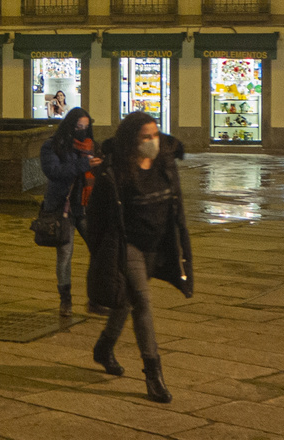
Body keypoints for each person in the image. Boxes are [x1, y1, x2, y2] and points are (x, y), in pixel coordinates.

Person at [85, 111, 192, 404]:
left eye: (155, 135)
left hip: (156, 243)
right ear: (133, 139)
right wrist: (103, 254)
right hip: (127, 244)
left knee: (127, 299)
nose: (153, 141)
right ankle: (153, 374)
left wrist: (180, 242)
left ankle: (104, 347)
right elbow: (94, 217)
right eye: (146, 136)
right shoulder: (115, 170)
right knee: (142, 302)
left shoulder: (164, 163)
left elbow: (176, 205)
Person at [40, 107, 100, 317]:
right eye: (78, 127)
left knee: (99, 251)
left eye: (86, 127)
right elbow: (54, 172)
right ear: (69, 126)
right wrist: (84, 164)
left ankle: (96, 298)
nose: (82, 131)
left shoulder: (93, 146)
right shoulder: (53, 146)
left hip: (86, 207)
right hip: (63, 208)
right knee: (65, 255)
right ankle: (65, 299)